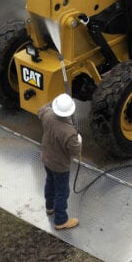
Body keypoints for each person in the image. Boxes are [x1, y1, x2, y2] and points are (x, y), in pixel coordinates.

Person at [38, 93, 82, 229]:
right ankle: (61, 220)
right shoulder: (70, 132)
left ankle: (49, 207)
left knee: (50, 182)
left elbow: (41, 109)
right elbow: (75, 151)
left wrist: (54, 102)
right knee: (62, 192)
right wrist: (79, 139)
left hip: (47, 159)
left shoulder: (47, 115)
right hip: (60, 166)